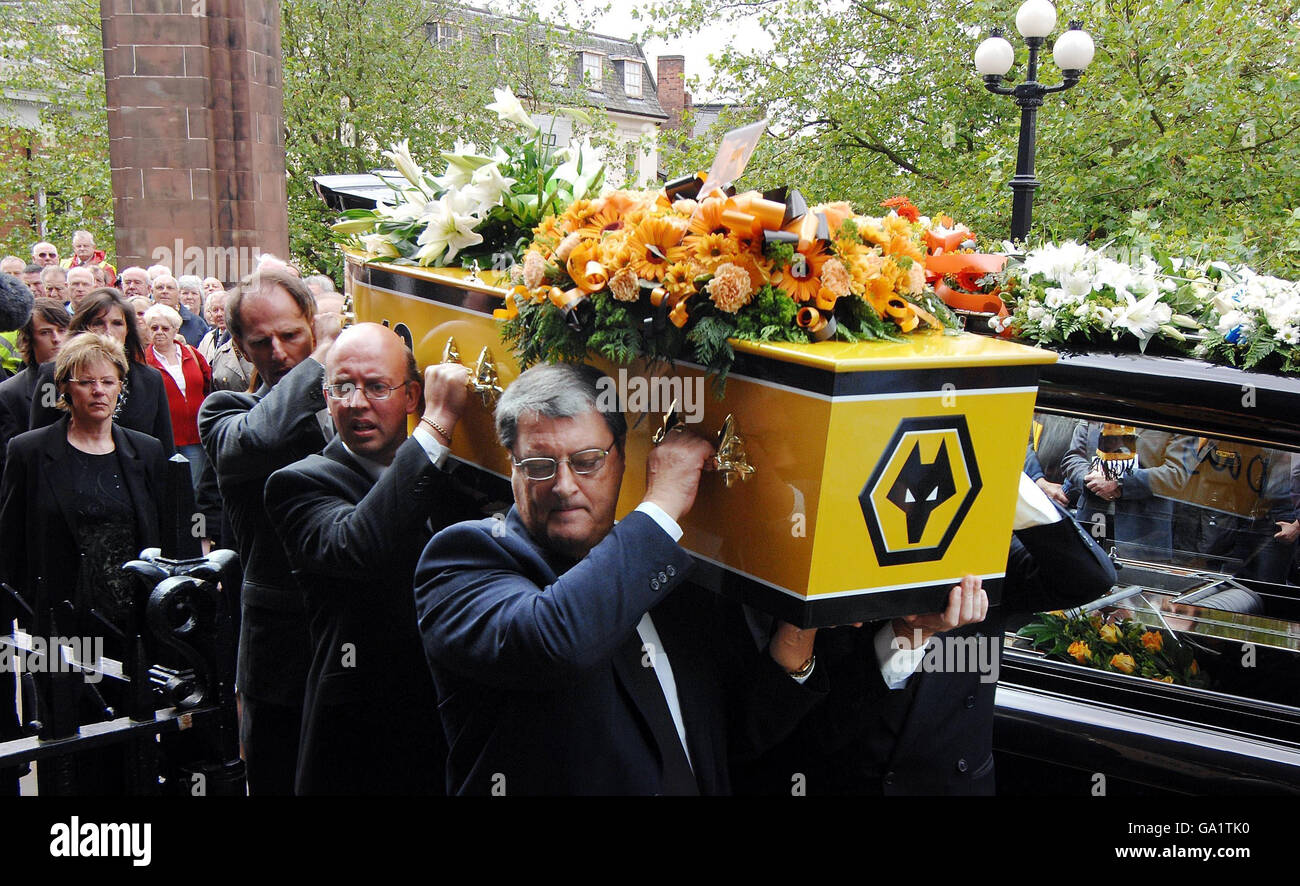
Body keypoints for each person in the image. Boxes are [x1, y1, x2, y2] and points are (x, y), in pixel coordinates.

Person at [415, 361, 829, 795]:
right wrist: (663, 502)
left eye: (588, 461)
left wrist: (797, 637)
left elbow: (725, 736)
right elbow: (553, 640)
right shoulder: (462, 560)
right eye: (539, 465)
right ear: (512, 467)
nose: (564, 485)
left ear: (622, 460)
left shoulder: (667, 574)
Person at [733, 474, 1115, 796]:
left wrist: (1003, 468)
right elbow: (793, 727)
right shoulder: (826, 535)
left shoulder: (981, 539)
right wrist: (906, 635)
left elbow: (1089, 578)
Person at [265, 324, 476, 794]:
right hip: (362, 744)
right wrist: (437, 424)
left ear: (410, 395)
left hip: (448, 729)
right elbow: (359, 546)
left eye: (377, 386)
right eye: (342, 387)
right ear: (325, 396)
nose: (356, 402)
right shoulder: (299, 484)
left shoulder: (450, 478)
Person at [198, 267, 339, 796]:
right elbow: (259, 439)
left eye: (292, 335)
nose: (279, 352)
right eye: (261, 341)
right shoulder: (226, 412)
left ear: (311, 321)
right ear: (239, 345)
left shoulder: (355, 401)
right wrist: (321, 355)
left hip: (359, 634)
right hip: (282, 649)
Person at [0, 332, 166, 648]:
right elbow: (10, 540)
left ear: (121, 386)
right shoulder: (29, 451)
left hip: (131, 622)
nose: (98, 391)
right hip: (58, 622)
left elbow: (163, 534)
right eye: (86, 382)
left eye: (108, 381)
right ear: (64, 386)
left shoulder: (147, 451)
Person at [29, 288, 173, 454]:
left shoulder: (150, 379)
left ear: (128, 329)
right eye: (98, 323)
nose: (108, 331)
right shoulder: (54, 375)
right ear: (83, 327)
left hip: (133, 475)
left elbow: (164, 443)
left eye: (117, 323)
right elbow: (39, 438)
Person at [144, 303, 212, 490]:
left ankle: (192, 519)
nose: (159, 332)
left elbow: (208, 385)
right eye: (154, 328)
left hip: (195, 436)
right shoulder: (143, 361)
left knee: (194, 488)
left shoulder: (192, 353)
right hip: (163, 437)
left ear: (175, 330)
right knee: (168, 487)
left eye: (165, 328)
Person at [0, 297, 68, 477]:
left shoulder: (87, 382)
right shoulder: (10, 393)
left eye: (62, 331)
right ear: (29, 339)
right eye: (46, 332)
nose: (56, 339)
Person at [151, 274, 208, 347]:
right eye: (160, 288)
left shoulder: (196, 323)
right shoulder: (142, 318)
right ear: (152, 291)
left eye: (170, 288)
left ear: (178, 293)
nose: (164, 291)